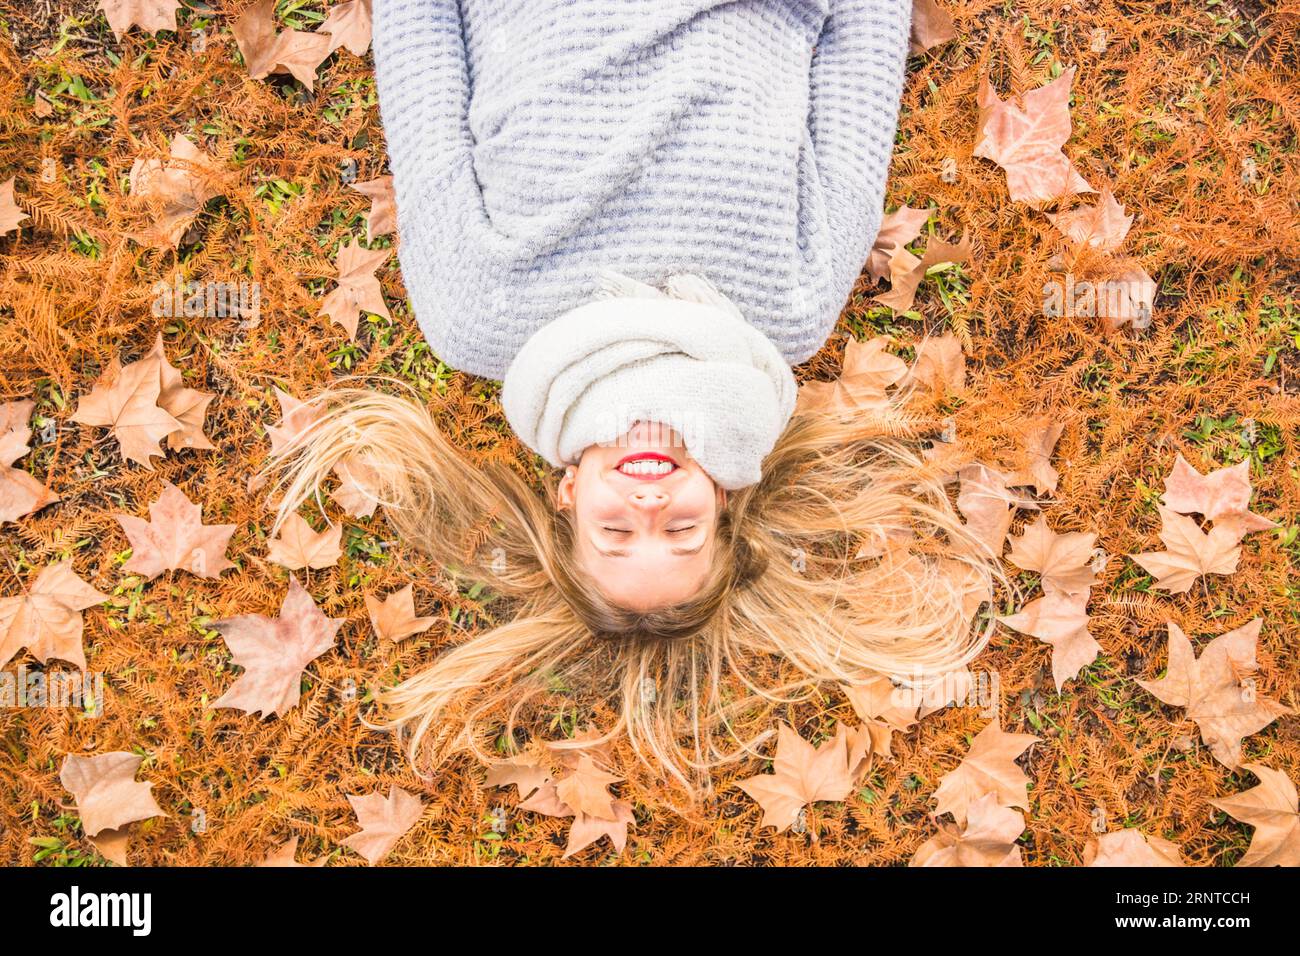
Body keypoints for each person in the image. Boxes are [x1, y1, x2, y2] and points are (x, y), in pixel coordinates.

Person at [265, 0, 1001, 800]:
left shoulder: (474, 317)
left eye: (616, 531)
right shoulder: (791, 309)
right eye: (680, 530)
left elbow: (420, 60)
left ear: (569, 492)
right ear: (721, 492)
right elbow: (861, 60)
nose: (649, 503)